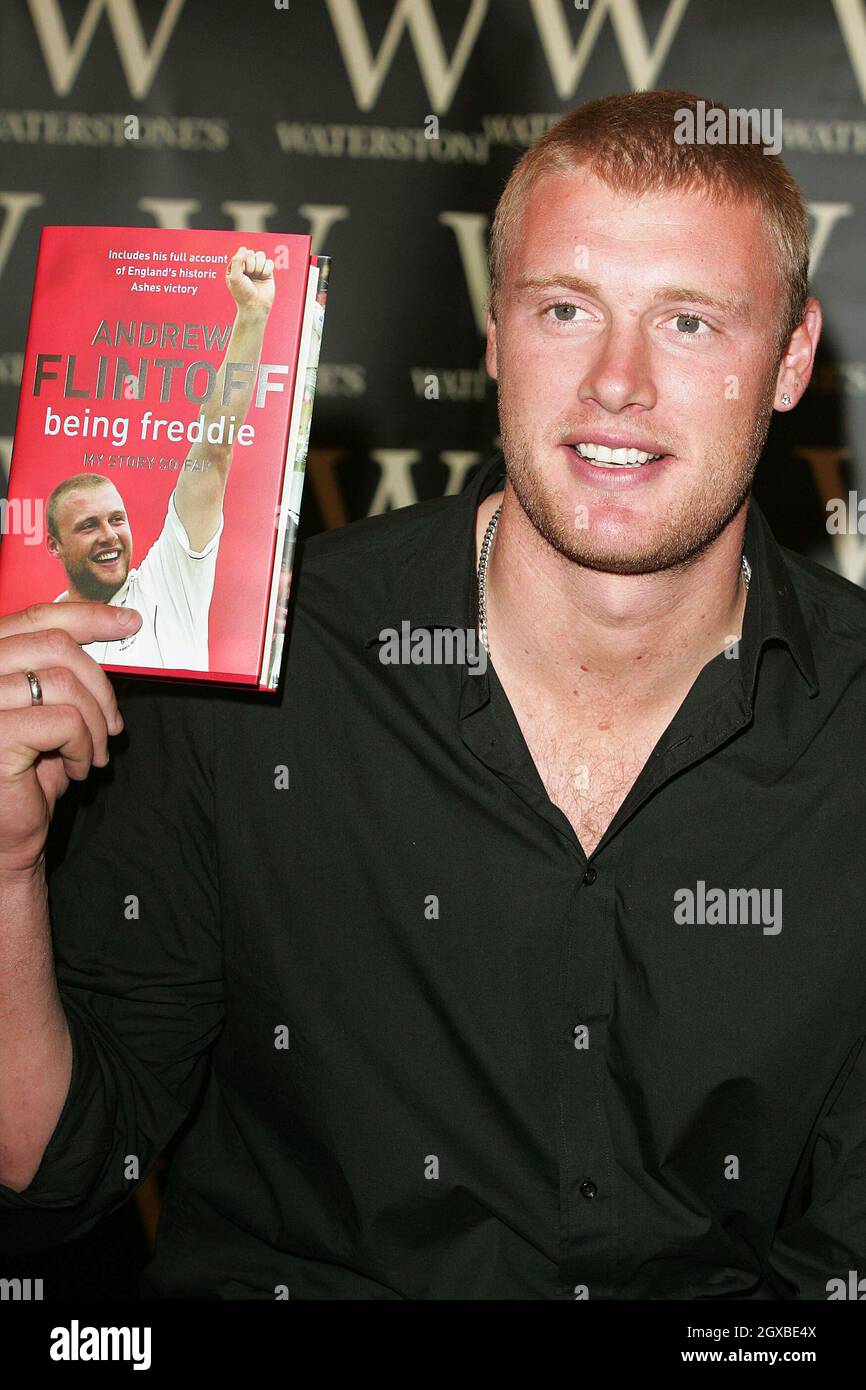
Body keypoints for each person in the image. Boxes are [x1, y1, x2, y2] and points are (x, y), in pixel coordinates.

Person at [0, 90, 864, 1300]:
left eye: (687, 322)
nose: (616, 381)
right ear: (495, 334)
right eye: (565, 308)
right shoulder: (263, 674)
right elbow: (50, 1173)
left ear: (787, 361)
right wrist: (3, 873)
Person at [46, 246, 275, 671]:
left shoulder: (169, 581)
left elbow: (214, 447)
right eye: (88, 525)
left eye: (116, 519)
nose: (109, 534)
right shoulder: (36, 637)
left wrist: (252, 314)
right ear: (54, 546)